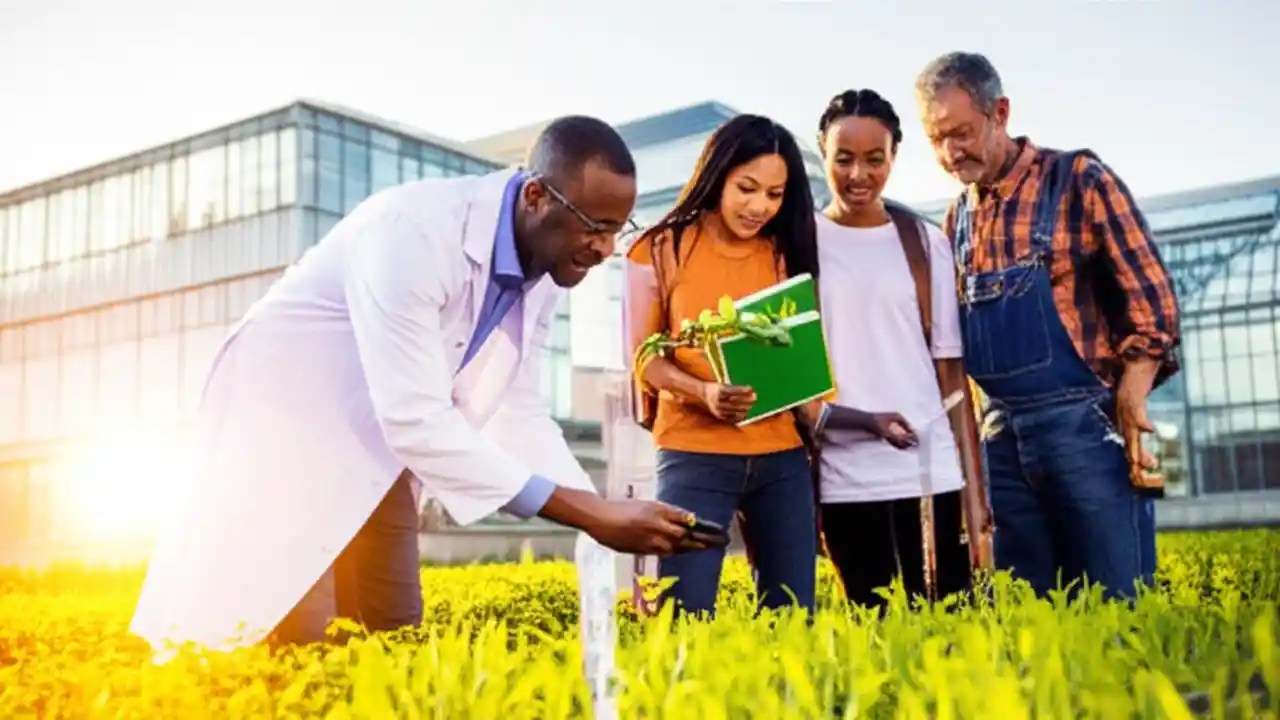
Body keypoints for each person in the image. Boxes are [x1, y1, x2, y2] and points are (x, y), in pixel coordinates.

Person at [130, 116, 723, 654]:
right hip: (285, 423)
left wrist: (606, 510)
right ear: (537, 196)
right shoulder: (412, 233)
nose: (604, 249)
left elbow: (515, 407)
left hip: (378, 437)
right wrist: (589, 514)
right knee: (299, 631)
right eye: (596, 226)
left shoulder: (545, 267)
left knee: (393, 627)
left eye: (618, 229)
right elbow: (415, 416)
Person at [914, 52, 1181, 600]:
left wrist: (1131, 395)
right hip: (1000, 438)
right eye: (936, 139)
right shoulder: (957, 217)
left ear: (1000, 112)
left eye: (961, 133)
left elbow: (1152, 298)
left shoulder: (1077, 180)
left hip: (1083, 428)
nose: (950, 152)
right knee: (1029, 605)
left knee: (1116, 594)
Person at [623, 114, 820, 618]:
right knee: (680, 613)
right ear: (717, 176)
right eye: (747, 188)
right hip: (694, 453)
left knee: (793, 615)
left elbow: (798, 354)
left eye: (775, 195)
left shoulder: (783, 251)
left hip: (781, 457)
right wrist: (703, 393)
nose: (760, 207)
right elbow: (643, 356)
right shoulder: (661, 248)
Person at [807, 88, 990, 612]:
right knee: (875, 633)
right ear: (824, 154)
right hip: (843, 479)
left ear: (894, 158)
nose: (858, 174)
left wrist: (974, 494)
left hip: (930, 473)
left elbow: (951, 376)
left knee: (951, 630)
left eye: (874, 159)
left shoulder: (922, 241)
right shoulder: (801, 244)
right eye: (844, 159)